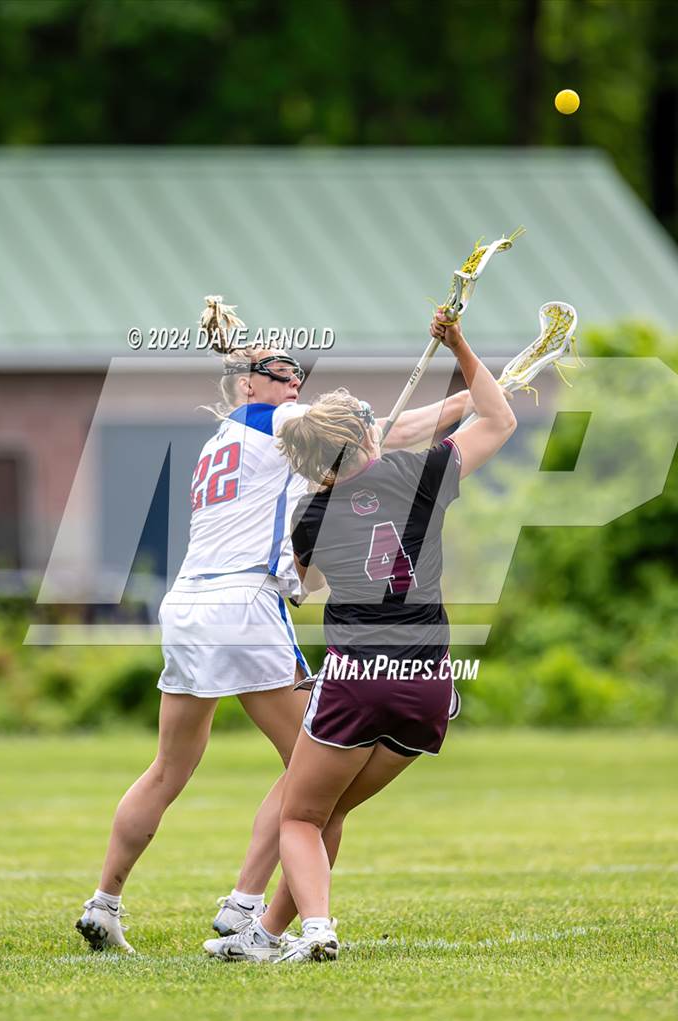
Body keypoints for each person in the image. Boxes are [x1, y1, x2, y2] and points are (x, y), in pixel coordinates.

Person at [76, 297, 474, 953]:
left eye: (298, 375)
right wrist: (474, 400)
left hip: (188, 607)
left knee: (168, 770)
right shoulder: (284, 419)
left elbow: (370, 436)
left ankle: (105, 902)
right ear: (250, 382)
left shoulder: (220, 439)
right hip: (245, 604)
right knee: (314, 775)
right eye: (283, 375)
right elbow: (389, 435)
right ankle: (247, 909)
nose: (298, 385)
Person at [203, 308, 516, 963]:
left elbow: (304, 585)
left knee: (302, 814)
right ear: (369, 442)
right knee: (328, 812)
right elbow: (498, 420)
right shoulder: (418, 476)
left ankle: (315, 929)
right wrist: (458, 343)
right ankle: (265, 937)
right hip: (427, 688)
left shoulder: (311, 514)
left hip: (354, 681)